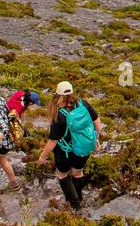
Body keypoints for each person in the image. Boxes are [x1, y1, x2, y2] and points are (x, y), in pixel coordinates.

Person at [36, 81, 102, 210]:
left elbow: (52, 141)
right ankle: (79, 198)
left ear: (57, 95)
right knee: (78, 173)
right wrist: (95, 139)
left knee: (63, 175)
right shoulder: (84, 104)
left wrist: (43, 157)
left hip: (64, 151)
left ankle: (74, 205)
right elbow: (97, 122)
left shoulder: (59, 114)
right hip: (84, 147)